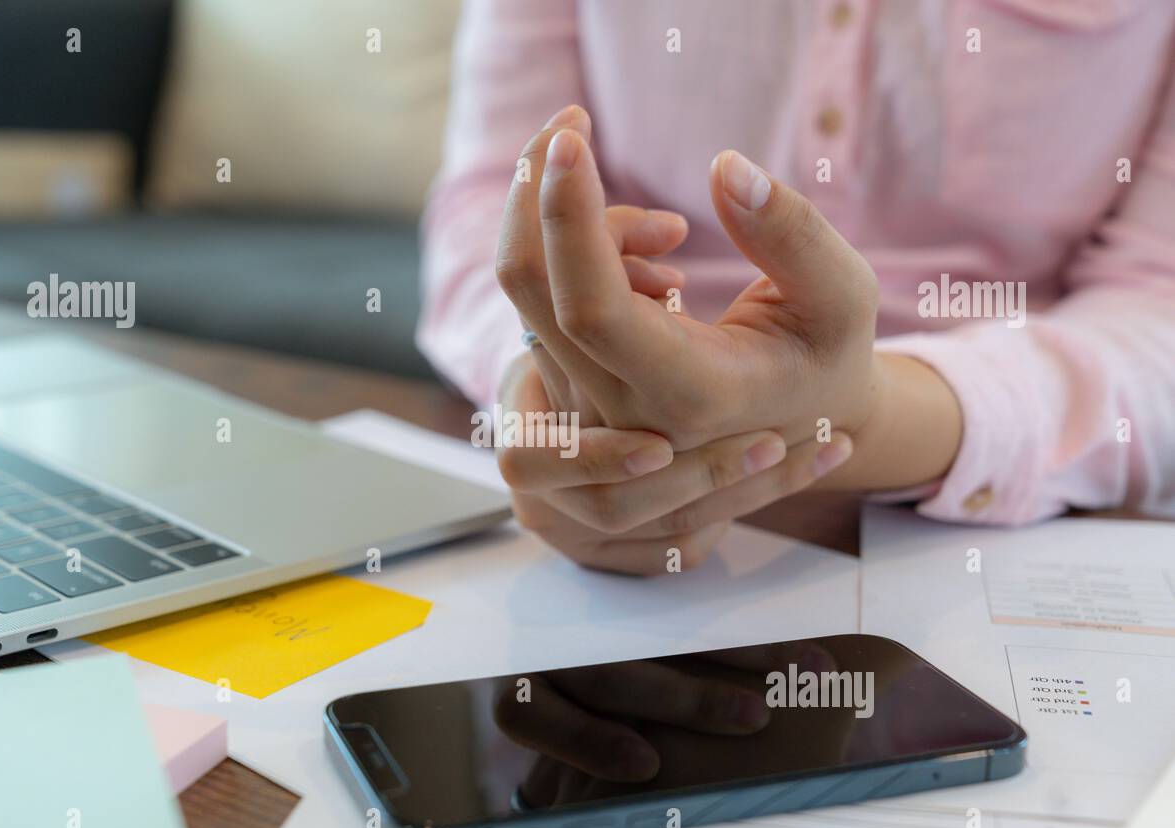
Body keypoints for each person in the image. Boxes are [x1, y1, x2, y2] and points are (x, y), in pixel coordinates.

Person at [417, 1, 1175, 575]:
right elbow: (488, 198)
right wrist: (554, 388)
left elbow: (1158, 301)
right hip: (605, 465)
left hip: (998, 498)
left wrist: (870, 411)